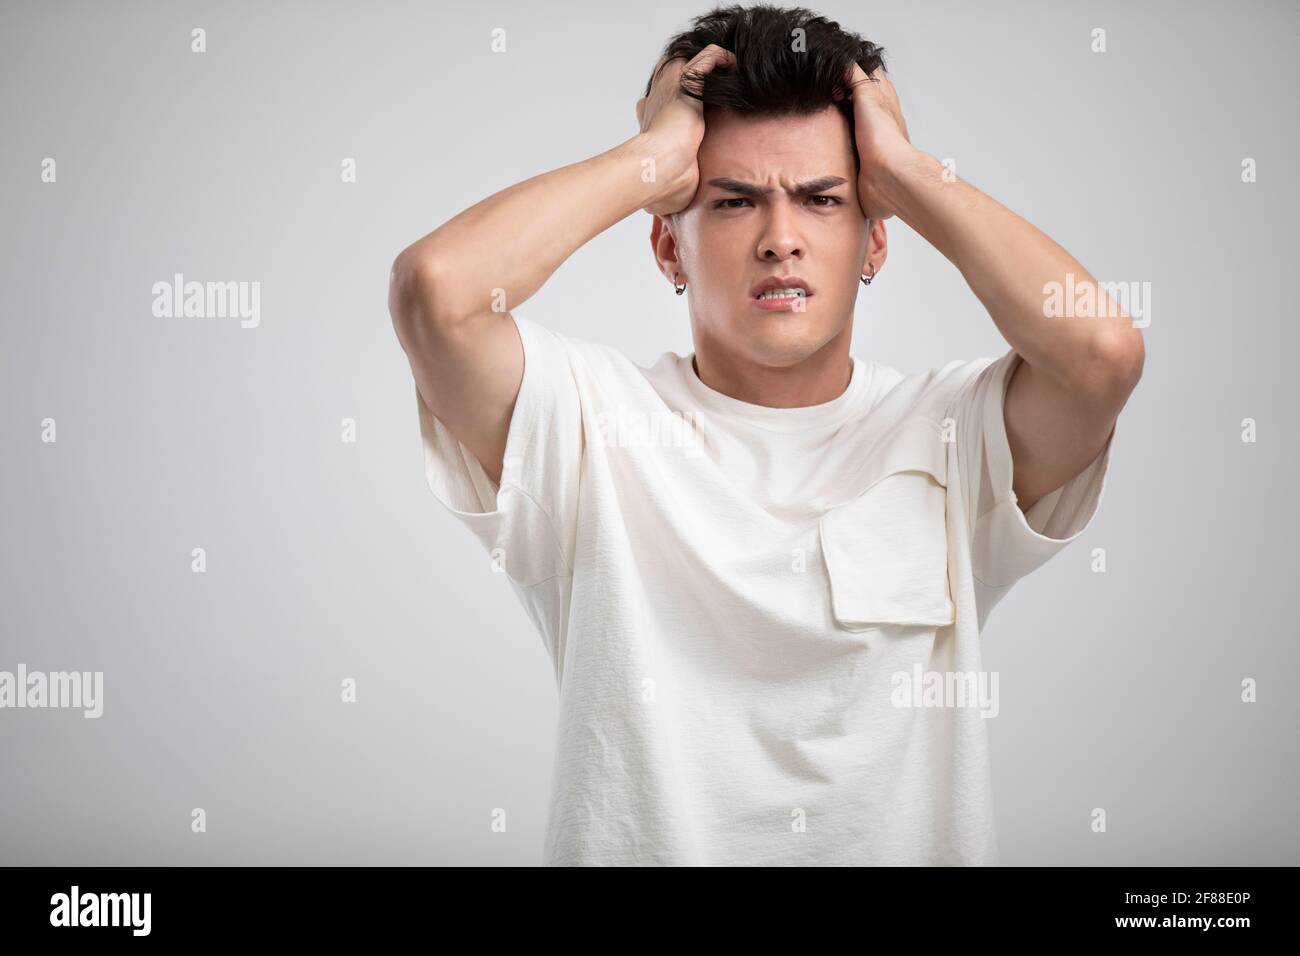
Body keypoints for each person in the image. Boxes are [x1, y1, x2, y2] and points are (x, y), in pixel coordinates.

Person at [387, 3, 1144, 865]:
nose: (781, 240)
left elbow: (1102, 353)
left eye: (823, 201)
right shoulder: (587, 422)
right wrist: (651, 158)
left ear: (876, 241)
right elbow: (435, 291)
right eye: (734, 201)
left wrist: (903, 167)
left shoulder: (952, 434)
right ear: (669, 251)